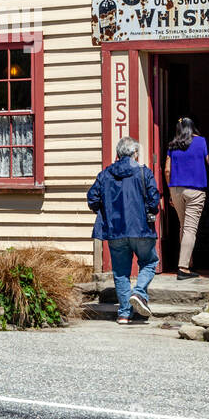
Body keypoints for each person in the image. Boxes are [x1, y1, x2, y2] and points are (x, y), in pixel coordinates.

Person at [87, 136, 160, 324]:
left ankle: (124, 314)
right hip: (141, 228)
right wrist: (150, 211)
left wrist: (107, 212)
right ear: (135, 153)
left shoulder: (105, 174)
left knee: (121, 272)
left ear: (118, 154)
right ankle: (139, 293)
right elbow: (154, 201)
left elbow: (92, 199)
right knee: (150, 262)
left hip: (115, 230)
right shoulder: (144, 172)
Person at [164, 116, 209, 280]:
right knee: (190, 228)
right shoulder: (202, 142)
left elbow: (166, 170)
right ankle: (183, 267)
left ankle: (189, 261)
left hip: (176, 189)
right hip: (195, 189)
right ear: (193, 127)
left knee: (183, 226)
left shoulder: (173, 144)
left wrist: (170, 190)